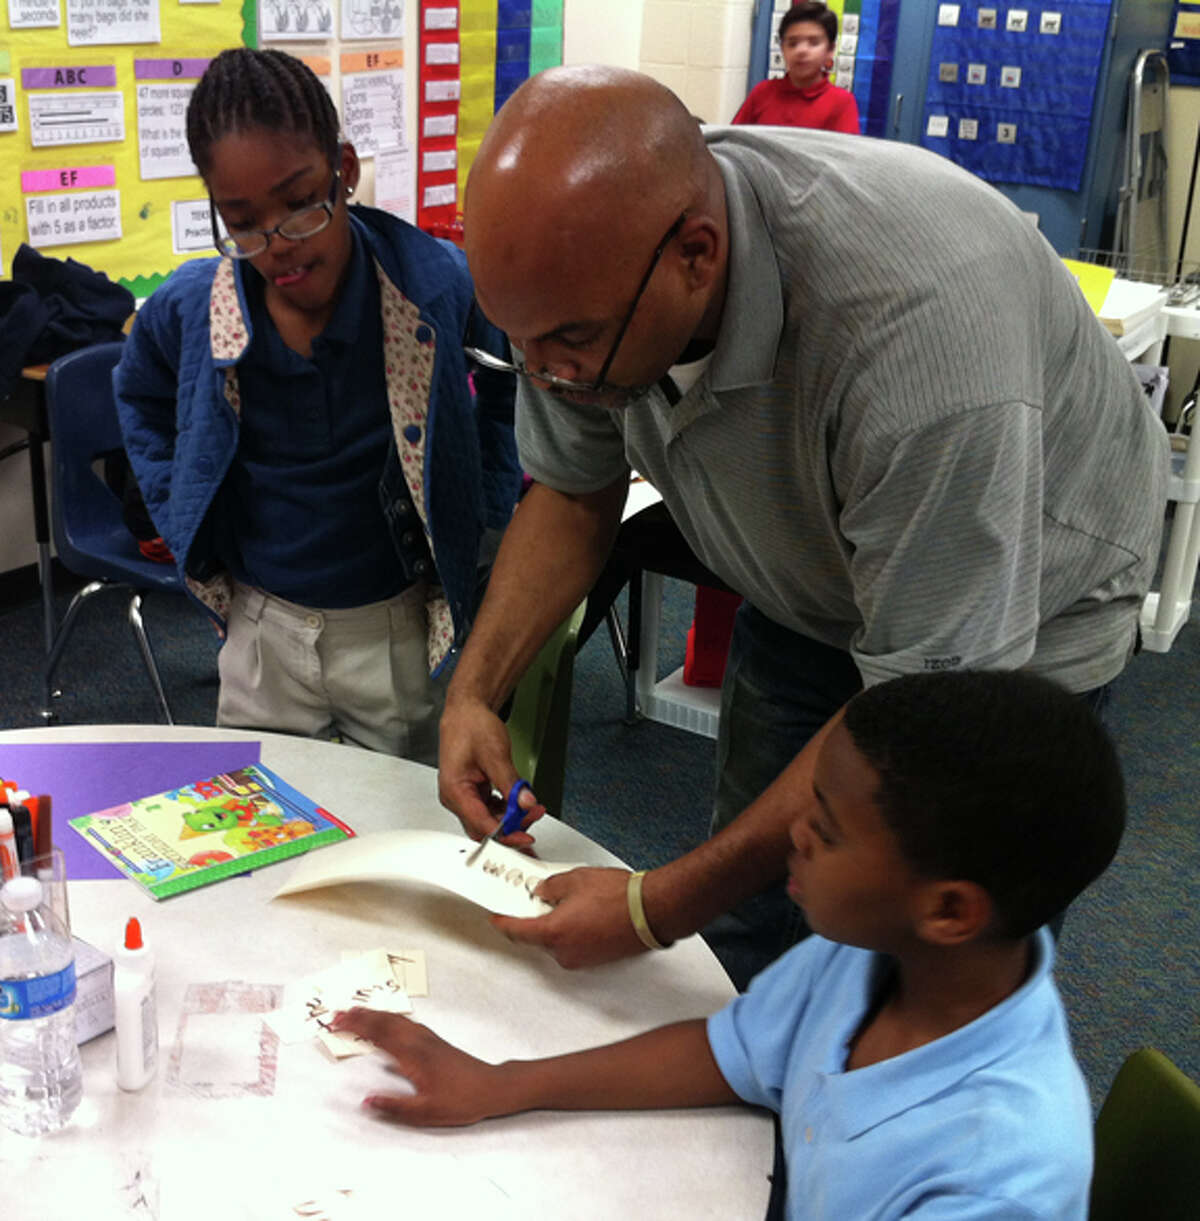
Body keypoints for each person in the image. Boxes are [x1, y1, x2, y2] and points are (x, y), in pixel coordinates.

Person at [439, 66, 1168, 981]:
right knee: (747, 931)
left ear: (698, 256)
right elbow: (573, 490)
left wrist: (651, 905)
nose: (547, 373)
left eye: (571, 343)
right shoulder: (584, 282)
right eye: (523, 342)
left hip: (1016, 627)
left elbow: (919, 705)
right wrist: (474, 693)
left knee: (914, 962)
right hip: (812, 585)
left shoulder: (921, 338)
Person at [336, 669, 1125, 1220]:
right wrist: (503, 1082)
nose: (795, 832)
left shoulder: (995, 1178)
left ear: (949, 909)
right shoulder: (875, 953)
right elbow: (732, 1051)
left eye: (828, 829)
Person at [114, 49, 520, 764]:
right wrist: (180, 509)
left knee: (403, 814)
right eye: (243, 221)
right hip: (260, 633)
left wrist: (485, 506)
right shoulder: (195, 306)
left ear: (345, 170)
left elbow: (509, 382)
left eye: (301, 202)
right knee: (259, 814)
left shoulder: (432, 285)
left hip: (391, 631)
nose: (278, 245)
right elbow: (138, 389)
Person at [732, 2, 859, 134]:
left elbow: (844, 147)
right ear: (782, 48)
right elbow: (732, 140)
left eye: (813, 43)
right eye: (793, 44)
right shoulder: (762, 93)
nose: (801, 50)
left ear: (830, 50)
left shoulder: (841, 102)